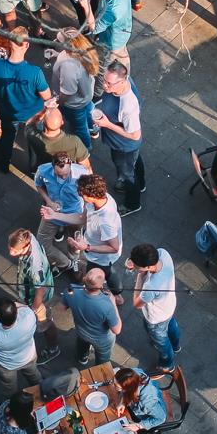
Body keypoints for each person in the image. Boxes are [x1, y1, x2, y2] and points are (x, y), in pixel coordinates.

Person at [0, 30, 55, 172]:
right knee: (35, 141)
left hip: (8, 111)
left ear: (9, 43)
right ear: (26, 45)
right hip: (33, 113)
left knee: (7, 139)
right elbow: (47, 97)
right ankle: (35, 169)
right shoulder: (35, 72)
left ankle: (3, 163)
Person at [92, 64, 143, 213]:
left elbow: (135, 135)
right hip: (123, 145)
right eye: (105, 80)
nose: (105, 85)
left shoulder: (127, 106)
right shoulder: (123, 81)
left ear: (121, 82)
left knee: (128, 173)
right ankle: (142, 184)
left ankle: (132, 204)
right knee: (135, 161)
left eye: (109, 83)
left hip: (124, 146)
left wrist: (107, 124)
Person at [125, 243, 181, 372]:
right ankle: (176, 346)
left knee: (161, 341)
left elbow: (137, 304)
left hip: (156, 318)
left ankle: (168, 364)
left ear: (148, 266)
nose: (136, 268)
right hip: (169, 305)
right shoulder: (163, 253)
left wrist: (139, 276)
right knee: (171, 326)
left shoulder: (151, 286)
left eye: (138, 267)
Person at [7, 227, 58, 349]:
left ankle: (53, 348)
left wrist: (34, 309)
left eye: (14, 251)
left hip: (38, 299)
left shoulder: (35, 267)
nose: (10, 253)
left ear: (25, 246)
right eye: (10, 248)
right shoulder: (28, 236)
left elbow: (41, 291)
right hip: (32, 287)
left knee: (45, 324)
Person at [72, 174, 124, 294]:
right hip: (94, 248)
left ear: (91, 196)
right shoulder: (104, 198)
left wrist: (87, 247)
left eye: (82, 194)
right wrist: (54, 215)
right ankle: (116, 293)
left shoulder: (105, 221)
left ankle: (117, 293)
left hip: (100, 257)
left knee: (102, 273)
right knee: (106, 270)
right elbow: (81, 219)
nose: (80, 196)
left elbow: (114, 247)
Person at [0, 295, 41, 394]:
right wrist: (14, 304)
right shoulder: (29, 317)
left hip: (6, 365)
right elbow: (24, 307)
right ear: (16, 312)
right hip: (28, 357)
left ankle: (14, 400)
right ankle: (40, 391)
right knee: (34, 375)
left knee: (9, 387)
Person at [61, 266, 122, 366]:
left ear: (84, 278)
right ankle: (99, 370)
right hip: (102, 340)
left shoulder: (71, 289)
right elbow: (117, 330)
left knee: (82, 344)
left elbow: (62, 308)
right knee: (103, 358)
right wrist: (113, 303)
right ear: (102, 286)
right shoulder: (107, 305)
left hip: (81, 332)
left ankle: (82, 358)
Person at [50, 36, 100, 148]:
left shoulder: (69, 68)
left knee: (80, 128)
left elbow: (67, 93)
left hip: (74, 105)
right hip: (85, 98)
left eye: (59, 40)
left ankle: (86, 148)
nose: (55, 41)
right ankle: (93, 130)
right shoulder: (83, 51)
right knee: (89, 112)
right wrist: (57, 54)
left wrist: (58, 103)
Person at [88, 0, 132, 66]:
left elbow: (94, 29)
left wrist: (87, 7)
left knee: (106, 65)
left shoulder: (114, 9)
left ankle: (113, 78)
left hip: (114, 42)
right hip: (123, 31)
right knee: (122, 53)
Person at [114, 365, 169, 433]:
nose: (114, 387)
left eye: (116, 386)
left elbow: (161, 418)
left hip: (147, 411)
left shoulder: (147, 402)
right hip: (137, 402)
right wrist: (122, 401)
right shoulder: (131, 373)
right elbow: (125, 390)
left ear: (129, 389)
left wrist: (138, 426)